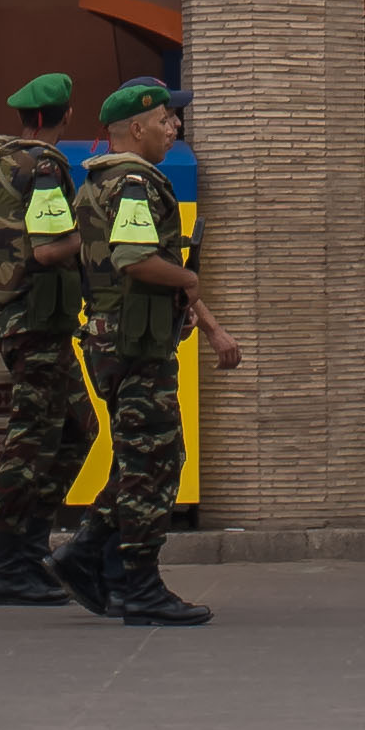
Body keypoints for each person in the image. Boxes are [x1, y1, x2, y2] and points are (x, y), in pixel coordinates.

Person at [61, 78, 240, 629]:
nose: (175, 128)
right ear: (135, 129)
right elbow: (137, 259)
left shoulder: (98, 184)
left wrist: (203, 321)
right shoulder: (134, 182)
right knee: (154, 463)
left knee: (147, 459)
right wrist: (186, 274)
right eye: (166, 120)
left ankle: (94, 557)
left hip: (122, 338)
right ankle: (139, 585)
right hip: (133, 346)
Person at [0, 69, 93, 607]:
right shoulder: (44, 167)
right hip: (35, 321)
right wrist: (97, 232)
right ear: (59, 117)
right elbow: (48, 248)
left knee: (74, 430)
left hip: (22, 317)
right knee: (31, 440)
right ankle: (10, 564)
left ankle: (29, 553)